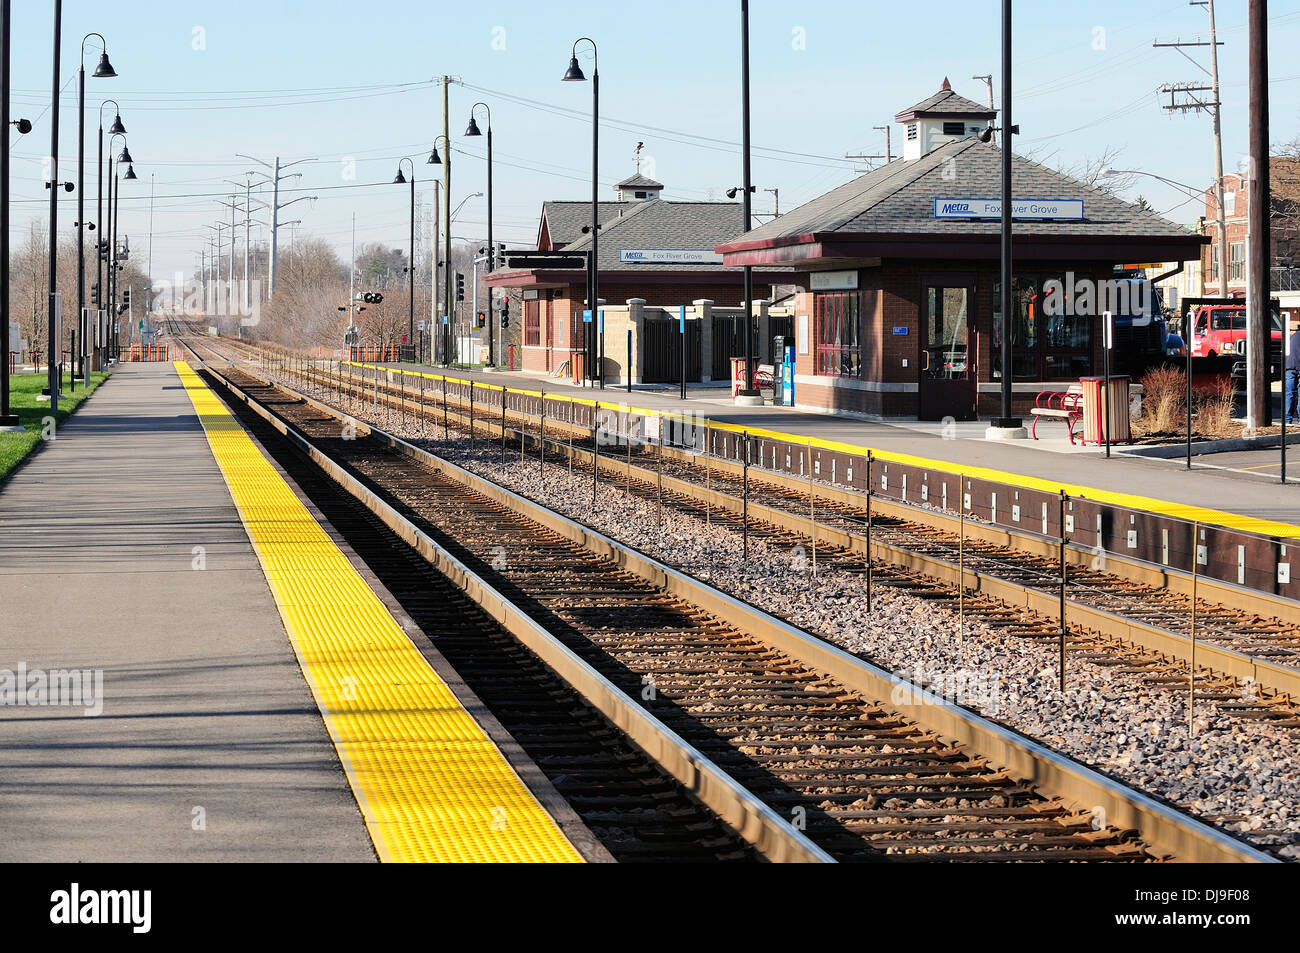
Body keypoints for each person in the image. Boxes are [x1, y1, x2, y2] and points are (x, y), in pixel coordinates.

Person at [1287, 317, 1300, 425]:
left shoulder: (1292, 337)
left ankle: (1287, 419)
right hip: (1298, 366)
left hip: (1289, 366)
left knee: (1289, 393)